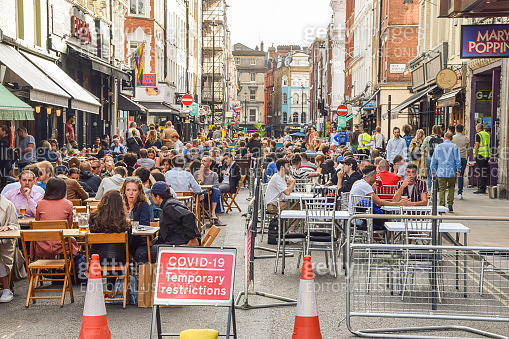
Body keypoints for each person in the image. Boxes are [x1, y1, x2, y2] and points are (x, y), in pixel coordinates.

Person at [138, 182, 200, 262]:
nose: (152, 199)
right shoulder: (170, 203)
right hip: (176, 243)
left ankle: (151, 274)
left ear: (158, 196)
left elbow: (188, 216)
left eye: (152, 196)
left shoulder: (169, 206)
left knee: (141, 252)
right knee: (144, 248)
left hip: (179, 246)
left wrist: (192, 239)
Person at [88, 190, 132, 282]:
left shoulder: (94, 219)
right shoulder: (124, 223)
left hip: (97, 258)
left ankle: (108, 289)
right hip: (118, 259)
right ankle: (113, 288)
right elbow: (129, 244)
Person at [348, 165, 409, 230]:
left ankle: (379, 238)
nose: (377, 176)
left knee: (379, 215)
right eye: (376, 174)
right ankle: (388, 238)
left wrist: (372, 188)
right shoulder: (365, 185)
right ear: (371, 175)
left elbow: (365, 198)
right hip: (360, 218)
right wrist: (398, 204)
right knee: (388, 219)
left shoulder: (358, 182)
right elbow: (379, 202)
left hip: (353, 215)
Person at [34, 178, 77, 258]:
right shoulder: (68, 204)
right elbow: (69, 226)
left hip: (43, 244)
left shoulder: (40, 204)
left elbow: (37, 222)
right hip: (62, 244)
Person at [430, 132, 461, 211]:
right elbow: (457, 160)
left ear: (444, 137)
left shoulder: (438, 147)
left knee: (442, 189)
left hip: (441, 171)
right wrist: (458, 170)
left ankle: (442, 205)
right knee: (451, 187)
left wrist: (433, 169)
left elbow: (434, 159)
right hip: (451, 171)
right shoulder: (455, 147)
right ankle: (450, 204)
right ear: (452, 138)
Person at [194, 156, 226, 226]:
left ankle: (213, 212)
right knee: (216, 193)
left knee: (216, 191)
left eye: (205, 161)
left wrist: (210, 189)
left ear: (210, 163)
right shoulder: (197, 173)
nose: (203, 163)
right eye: (202, 161)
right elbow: (199, 183)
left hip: (211, 194)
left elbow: (216, 185)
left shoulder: (214, 174)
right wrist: (201, 172)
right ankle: (216, 217)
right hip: (201, 193)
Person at [0, 194, 20, 303]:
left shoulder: (8, 205)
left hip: (3, 243)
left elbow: (16, 226)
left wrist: (8, 227)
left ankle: (6, 288)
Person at [421, 125, 443, 190]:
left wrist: (426, 151)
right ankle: (437, 188)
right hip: (439, 159)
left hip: (429, 157)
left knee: (429, 174)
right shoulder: (441, 139)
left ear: (432, 131)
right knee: (437, 172)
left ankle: (430, 189)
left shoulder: (428, 138)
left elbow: (422, 147)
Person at [452, 124, 470, 199]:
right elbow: (468, 150)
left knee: (453, 175)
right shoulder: (466, 139)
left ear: (456, 130)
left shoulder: (453, 138)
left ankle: (452, 189)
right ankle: (460, 192)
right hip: (462, 158)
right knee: (461, 175)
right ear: (462, 130)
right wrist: (467, 156)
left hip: (453, 159)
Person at [473, 123, 490, 195]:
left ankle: (482, 188)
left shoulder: (478, 135)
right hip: (487, 155)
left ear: (477, 128)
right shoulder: (487, 134)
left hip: (480, 155)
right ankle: (483, 187)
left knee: (481, 172)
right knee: (484, 172)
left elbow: (477, 145)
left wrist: (475, 155)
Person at [0, 126, 12, 191]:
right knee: (4, 178)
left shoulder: (4, 141)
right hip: (6, 162)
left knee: (4, 180)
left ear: (4, 132)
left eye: (0, 130)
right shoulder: (5, 140)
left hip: (4, 163)